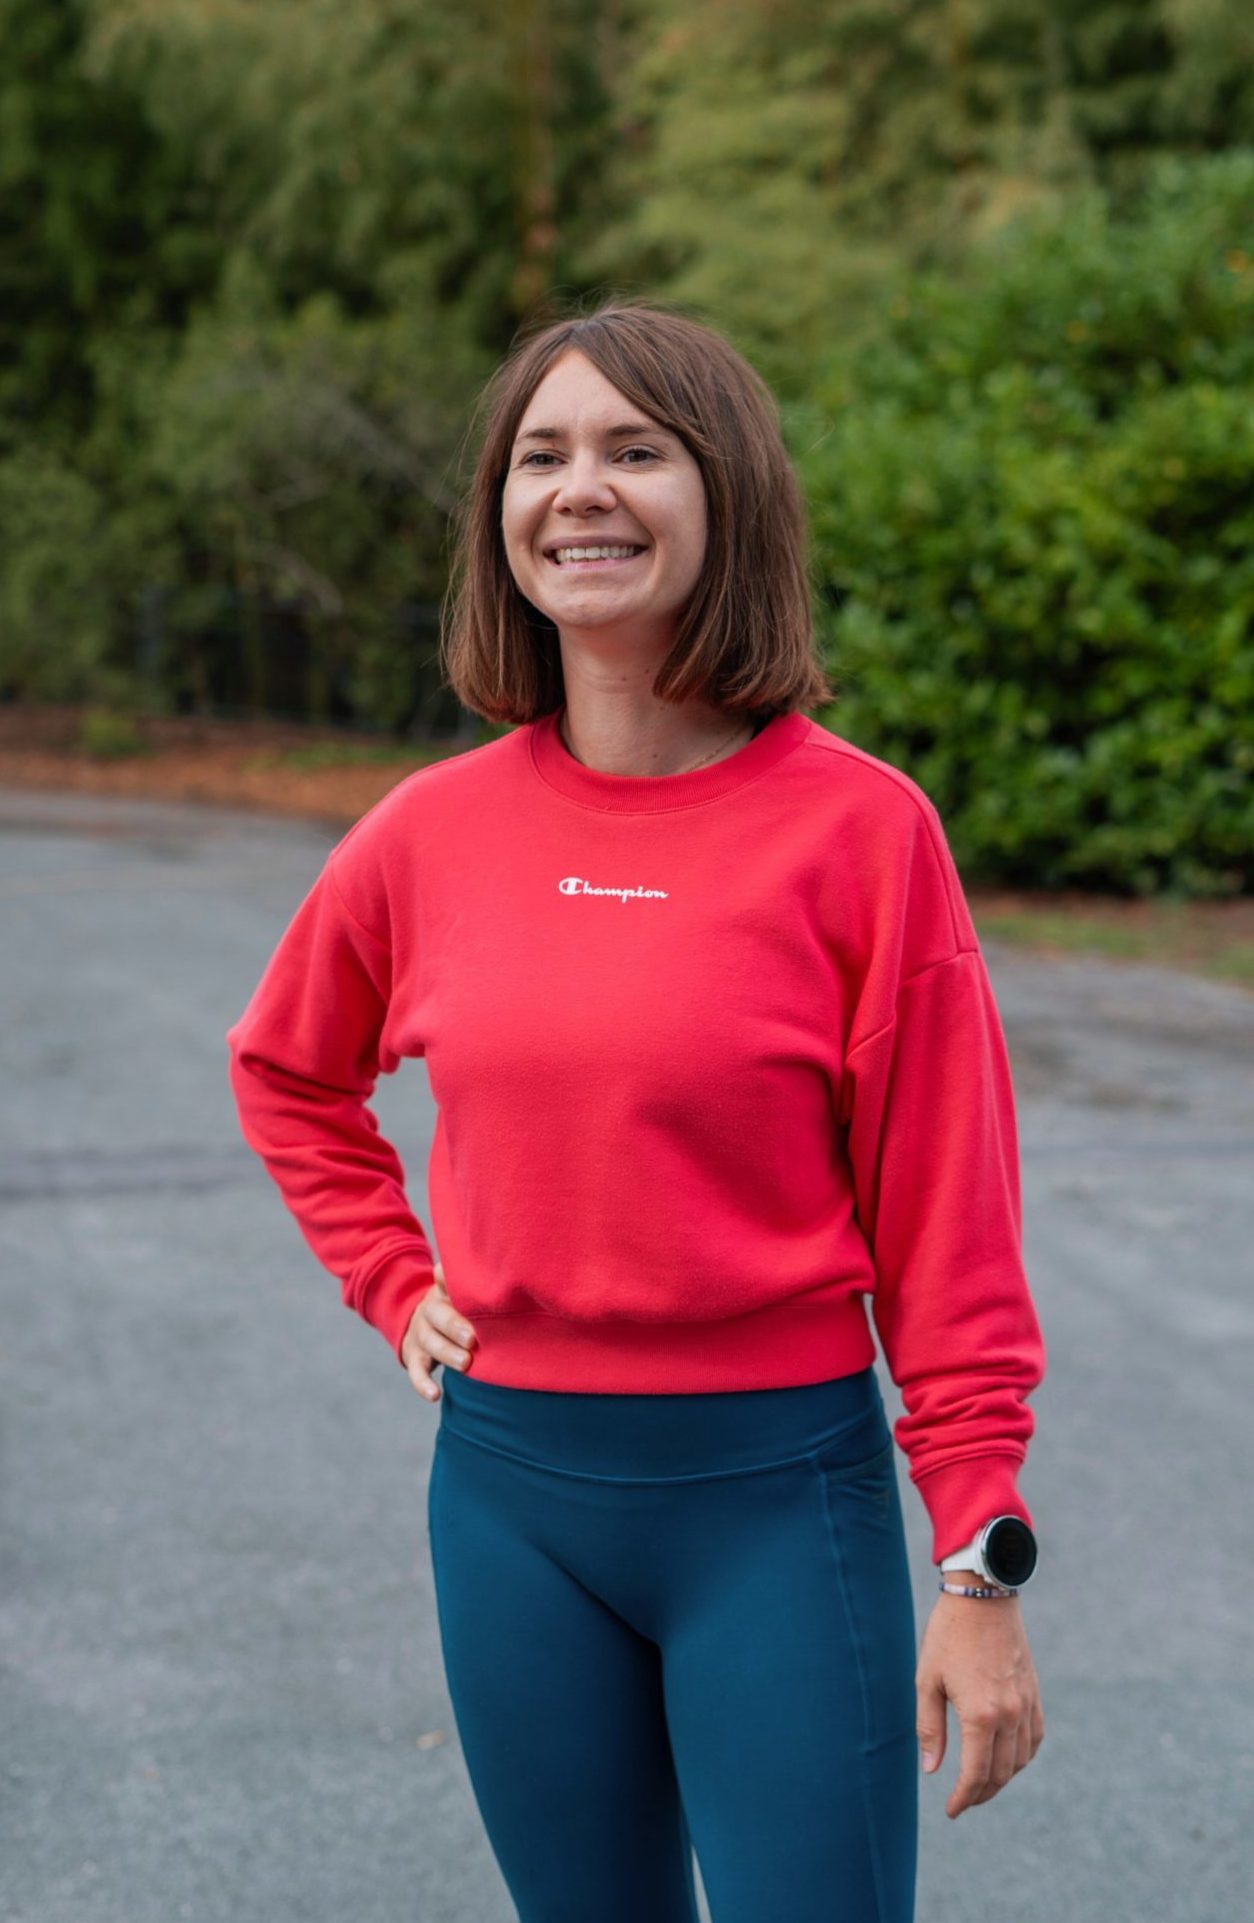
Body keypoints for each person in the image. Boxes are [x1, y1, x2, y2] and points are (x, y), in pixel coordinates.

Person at [225, 298, 1046, 1923]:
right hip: (511, 1499)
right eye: (540, 457)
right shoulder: (427, 831)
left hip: (775, 1505)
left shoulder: (862, 835)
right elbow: (287, 1071)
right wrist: (393, 1279)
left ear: (722, 494)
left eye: (633, 451)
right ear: (500, 521)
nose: (578, 489)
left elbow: (947, 1227)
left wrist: (976, 1559)